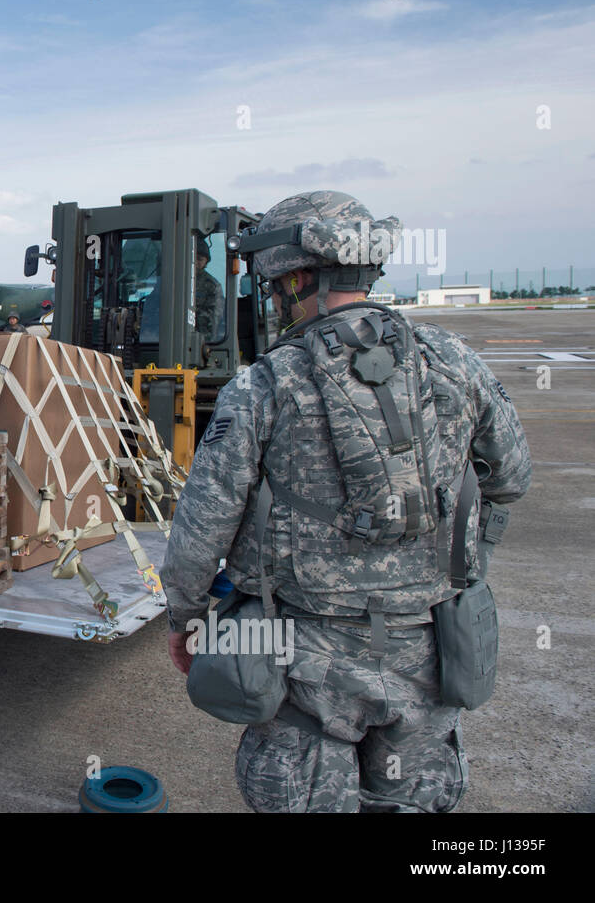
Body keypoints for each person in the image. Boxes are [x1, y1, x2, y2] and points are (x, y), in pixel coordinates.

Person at [159, 191, 531, 813]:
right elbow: (510, 476)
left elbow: (202, 530)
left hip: (303, 660)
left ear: (297, 278)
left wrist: (184, 620)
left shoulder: (264, 384)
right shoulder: (453, 359)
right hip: (430, 646)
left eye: (276, 283)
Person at [194, 236, 223, 344]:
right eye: (193, 258)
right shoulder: (175, 279)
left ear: (206, 262)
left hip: (201, 341)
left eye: (199, 259)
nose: (195, 263)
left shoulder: (212, 285)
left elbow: (213, 318)